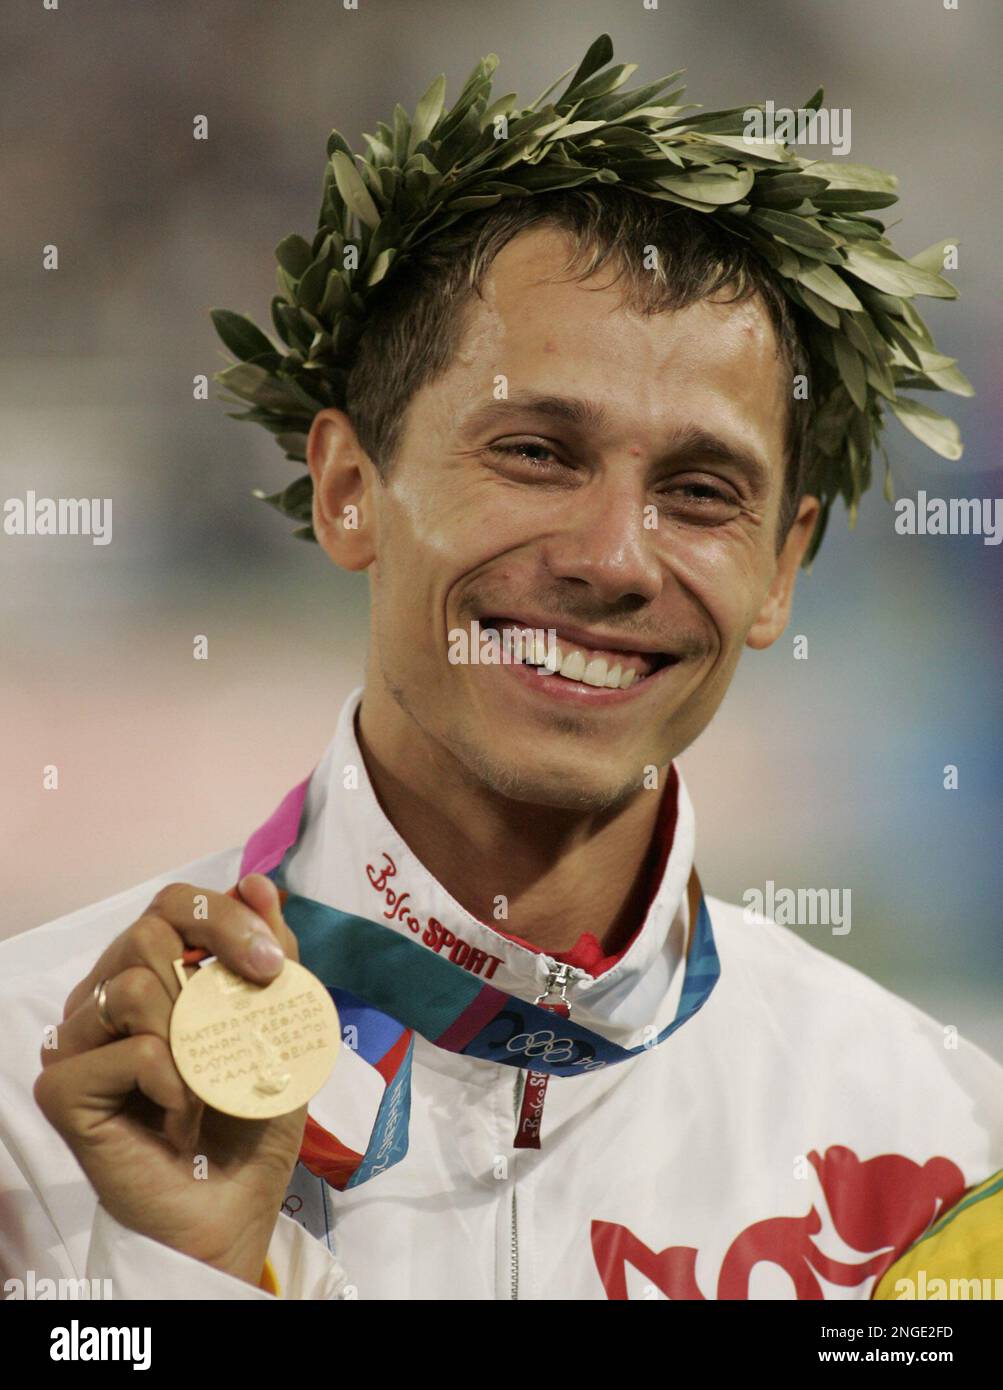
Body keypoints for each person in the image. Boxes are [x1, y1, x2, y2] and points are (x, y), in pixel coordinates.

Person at [2, 37, 1000, 1302]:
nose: (611, 558)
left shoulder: (946, 1155)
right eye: (534, 451)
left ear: (780, 568)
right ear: (350, 488)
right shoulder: (34, 1096)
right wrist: (174, 1273)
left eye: (699, 491)